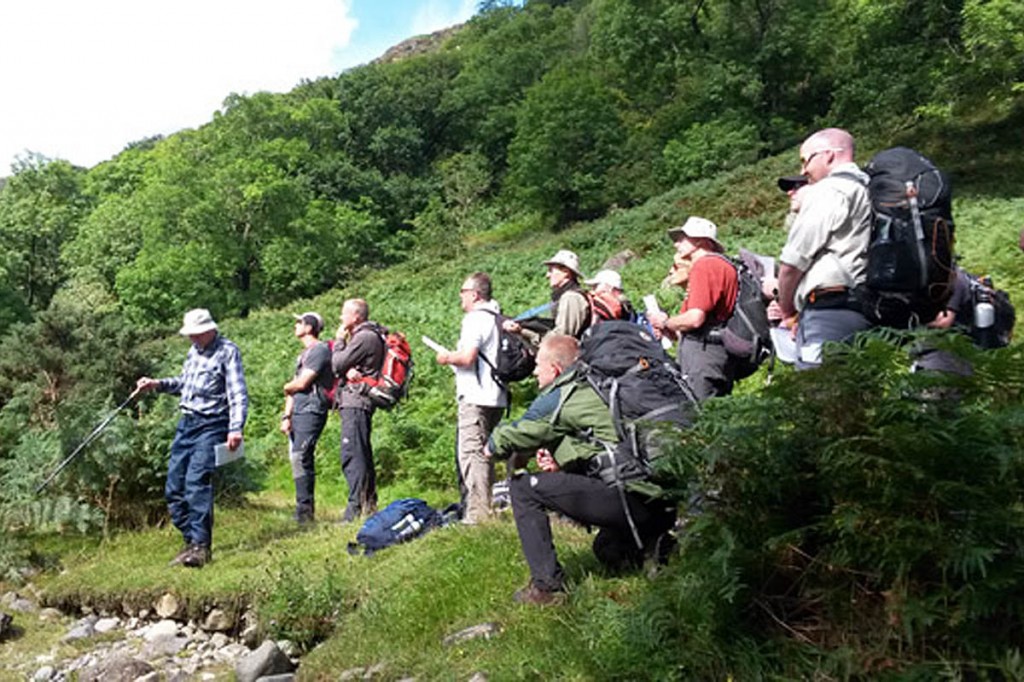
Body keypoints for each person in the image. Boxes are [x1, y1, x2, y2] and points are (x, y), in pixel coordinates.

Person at [486, 335, 677, 605]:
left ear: (554, 369)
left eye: (538, 366)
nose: (534, 373)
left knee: (523, 489)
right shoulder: (601, 388)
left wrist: (489, 446)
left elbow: (520, 433)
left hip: (631, 499)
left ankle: (547, 588)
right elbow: (603, 447)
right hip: (659, 499)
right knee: (607, 549)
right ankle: (656, 547)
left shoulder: (565, 396)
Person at [136, 308, 248, 568]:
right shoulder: (193, 351)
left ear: (210, 329)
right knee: (174, 488)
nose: (192, 338)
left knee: (196, 482)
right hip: (187, 424)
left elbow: (238, 393)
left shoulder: (227, 351)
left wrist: (235, 428)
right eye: (190, 335)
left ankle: (201, 546)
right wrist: (157, 384)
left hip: (212, 425)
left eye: (196, 334)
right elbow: (185, 385)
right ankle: (190, 543)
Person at [776, 128, 873, 369]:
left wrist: (787, 310)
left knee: (819, 396)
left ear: (828, 155)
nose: (803, 171)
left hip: (828, 311)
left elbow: (792, 263)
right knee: (854, 397)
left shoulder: (830, 190)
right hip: (864, 308)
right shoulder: (870, 188)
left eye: (805, 160)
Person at [435, 272, 507, 524]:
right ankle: (484, 508)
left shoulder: (475, 319)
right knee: (485, 452)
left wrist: (446, 357)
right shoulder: (497, 318)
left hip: (476, 394)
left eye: (463, 291)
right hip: (497, 394)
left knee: (472, 453)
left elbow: (467, 358)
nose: (460, 296)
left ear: (475, 294)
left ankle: (478, 514)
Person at [648, 217, 739, 401]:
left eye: (683, 238)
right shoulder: (723, 264)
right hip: (717, 352)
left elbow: (695, 318)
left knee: (700, 415)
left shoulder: (704, 265)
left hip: (703, 356)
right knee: (717, 413)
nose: (677, 244)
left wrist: (665, 322)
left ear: (699, 240)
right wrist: (673, 329)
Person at [331, 298, 385, 523]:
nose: (341, 318)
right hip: (358, 401)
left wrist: (339, 341)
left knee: (352, 453)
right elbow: (344, 366)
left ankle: (355, 508)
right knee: (361, 451)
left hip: (356, 401)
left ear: (356, 316)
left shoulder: (364, 337)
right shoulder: (370, 335)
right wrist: (346, 368)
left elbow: (336, 364)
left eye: (344, 313)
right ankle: (368, 504)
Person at [281, 312, 332, 524]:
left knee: (300, 456)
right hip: (299, 411)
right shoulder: (303, 355)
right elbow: (294, 388)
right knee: (297, 457)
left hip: (312, 409)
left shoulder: (320, 351)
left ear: (309, 328)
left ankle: (305, 512)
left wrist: (286, 387)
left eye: (299, 322)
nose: (295, 325)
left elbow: (300, 384)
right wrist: (287, 415)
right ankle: (303, 510)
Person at [503, 249, 591, 345]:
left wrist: (524, 332)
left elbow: (560, 341)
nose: (547, 275)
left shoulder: (571, 297)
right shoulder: (565, 296)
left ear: (566, 272)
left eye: (551, 270)